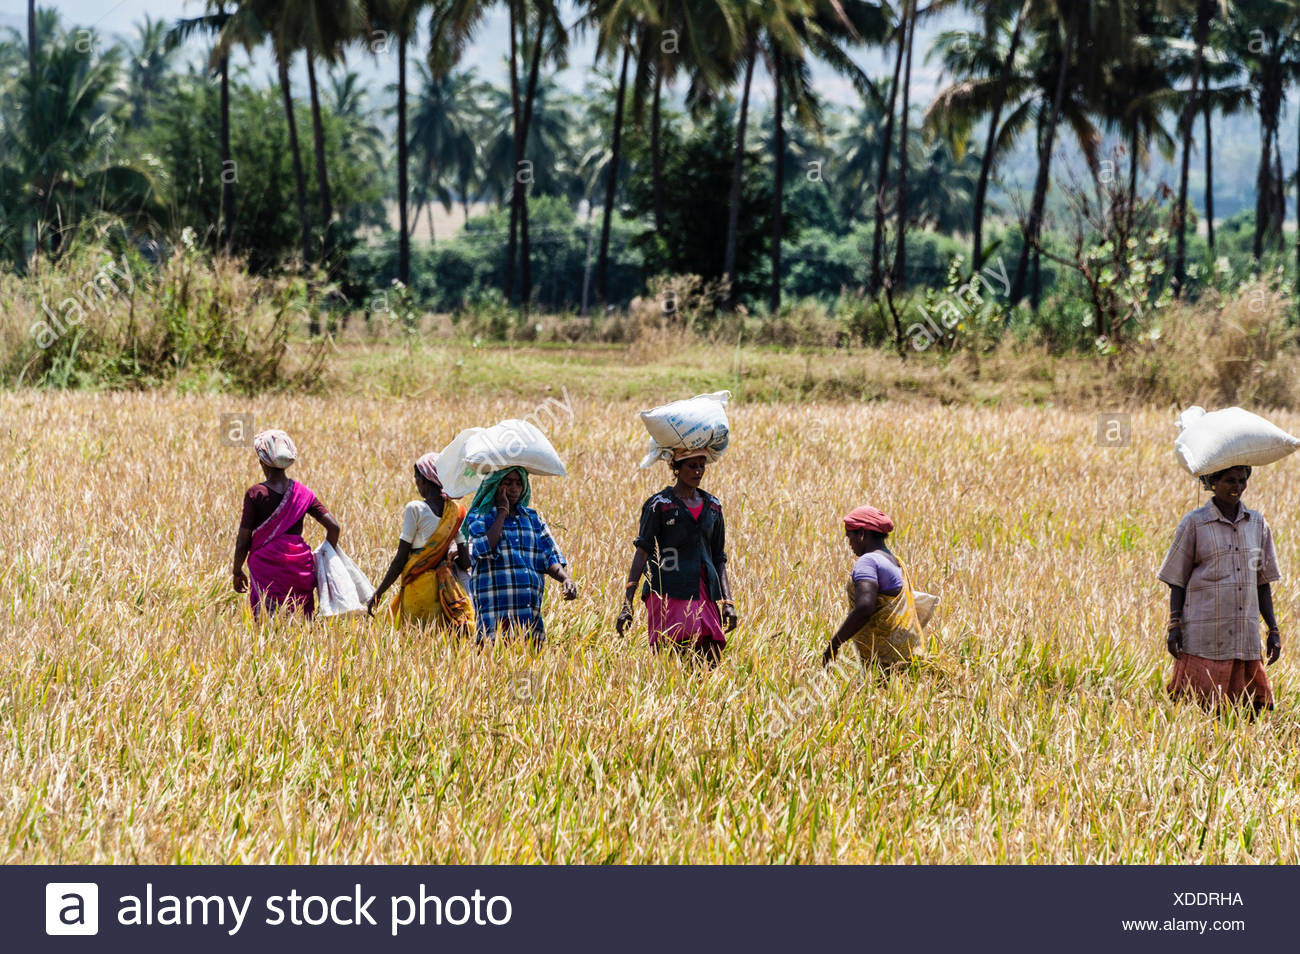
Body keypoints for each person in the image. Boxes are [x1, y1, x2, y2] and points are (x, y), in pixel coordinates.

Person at [1157, 465, 1282, 714]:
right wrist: (1174, 626)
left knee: (1245, 714)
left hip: (1243, 634)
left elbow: (1262, 582)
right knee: (1199, 710)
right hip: (1204, 635)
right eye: (1229, 480)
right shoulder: (1195, 523)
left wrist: (1273, 629)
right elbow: (1177, 580)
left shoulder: (1256, 524)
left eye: (1242, 480)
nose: (1237, 487)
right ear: (1212, 482)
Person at [616, 450, 737, 665]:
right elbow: (642, 551)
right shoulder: (659, 505)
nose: (698, 470)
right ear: (676, 468)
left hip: (704, 593)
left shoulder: (713, 506)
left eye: (702, 465)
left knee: (711, 658)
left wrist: (728, 602)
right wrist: (628, 603)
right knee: (673, 657)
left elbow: (719, 557)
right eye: (692, 465)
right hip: (667, 591)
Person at [232, 429, 339, 618]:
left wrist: (237, 571)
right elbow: (334, 527)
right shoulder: (303, 493)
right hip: (299, 570)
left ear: (262, 461)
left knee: (267, 623)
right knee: (301, 625)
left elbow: (243, 541)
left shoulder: (255, 494)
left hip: (266, 570)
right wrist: (324, 556)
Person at [464, 466, 577, 644]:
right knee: (493, 666)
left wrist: (565, 579)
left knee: (530, 667)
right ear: (494, 485)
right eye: (507, 483)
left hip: (529, 619)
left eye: (519, 483)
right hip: (494, 619)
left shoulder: (533, 519)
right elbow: (481, 549)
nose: (514, 488)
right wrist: (502, 512)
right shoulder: (481, 517)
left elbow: (549, 557)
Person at [367, 454, 474, 632]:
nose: (416, 483)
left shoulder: (415, 509)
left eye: (416, 477)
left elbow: (400, 559)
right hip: (446, 589)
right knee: (444, 645)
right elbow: (465, 563)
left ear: (424, 479)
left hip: (418, 588)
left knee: (416, 640)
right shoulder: (456, 511)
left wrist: (378, 593)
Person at [821, 506, 923, 671]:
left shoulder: (868, 562)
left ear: (861, 534)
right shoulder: (895, 562)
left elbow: (865, 607)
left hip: (885, 664)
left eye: (850, 536)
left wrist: (835, 643)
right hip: (909, 656)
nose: (849, 544)